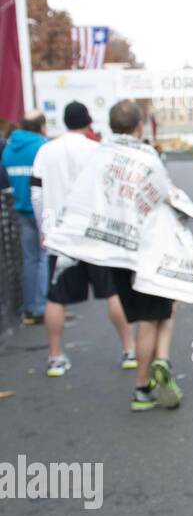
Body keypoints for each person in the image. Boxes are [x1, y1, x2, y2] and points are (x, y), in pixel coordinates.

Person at [30, 101, 137, 376]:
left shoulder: (46, 150)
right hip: (96, 233)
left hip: (62, 234)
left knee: (56, 298)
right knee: (112, 292)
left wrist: (46, 228)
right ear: (88, 122)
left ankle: (55, 356)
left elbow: (37, 193)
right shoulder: (97, 150)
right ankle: (129, 349)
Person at [101, 101, 184, 412]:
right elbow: (165, 194)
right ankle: (143, 384)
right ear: (139, 126)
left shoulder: (101, 158)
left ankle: (162, 361)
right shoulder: (146, 156)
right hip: (148, 246)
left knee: (155, 311)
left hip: (117, 249)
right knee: (155, 314)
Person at [2, 111, 49, 326]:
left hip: (20, 209)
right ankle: (42, 306)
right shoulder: (42, 147)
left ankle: (30, 306)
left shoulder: (9, 148)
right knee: (43, 258)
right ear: (41, 126)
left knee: (29, 260)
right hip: (41, 210)